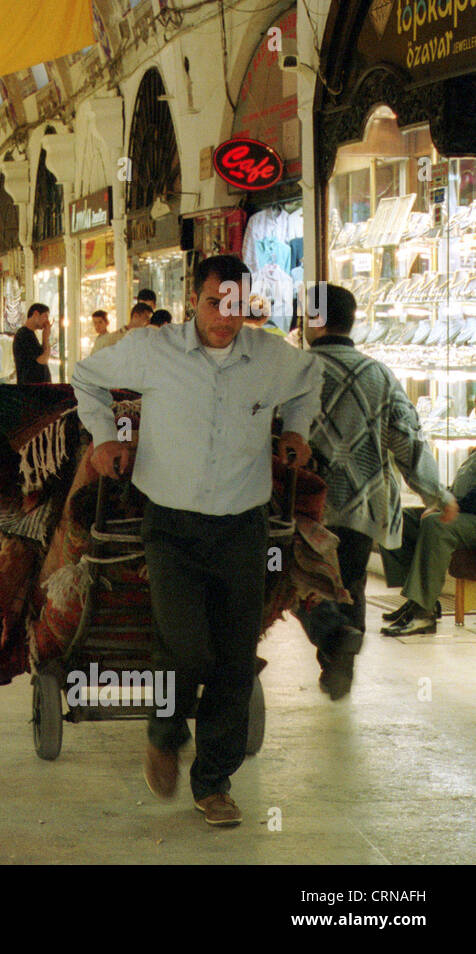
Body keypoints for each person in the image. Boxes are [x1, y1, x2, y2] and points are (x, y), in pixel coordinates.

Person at [72, 254, 322, 828]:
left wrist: (296, 429)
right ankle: (164, 733)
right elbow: (87, 377)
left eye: (236, 306)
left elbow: (313, 381)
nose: (224, 318)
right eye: (214, 303)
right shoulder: (153, 350)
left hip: (242, 525)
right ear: (194, 299)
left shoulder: (269, 359)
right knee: (185, 648)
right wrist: (105, 437)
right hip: (172, 525)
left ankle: (214, 783)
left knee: (235, 661)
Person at [298, 283, 455, 688]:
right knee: (350, 582)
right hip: (362, 506)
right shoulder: (378, 375)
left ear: (313, 321)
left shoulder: (295, 371)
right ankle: (342, 661)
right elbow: (407, 440)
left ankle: (333, 636)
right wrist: (436, 493)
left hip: (304, 506)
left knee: (295, 577)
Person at [381, 454, 476, 636]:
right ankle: (418, 600)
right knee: (400, 520)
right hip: (465, 512)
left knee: (436, 524)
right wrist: (440, 502)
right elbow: (460, 488)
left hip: (470, 514)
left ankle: (423, 613)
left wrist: (446, 507)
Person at [14, 303, 53, 384]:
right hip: (31, 389)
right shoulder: (24, 335)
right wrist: (46, 337)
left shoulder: (31, 335)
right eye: (45, 316)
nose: (47, 321)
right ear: (36, 314)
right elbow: (42, 360)